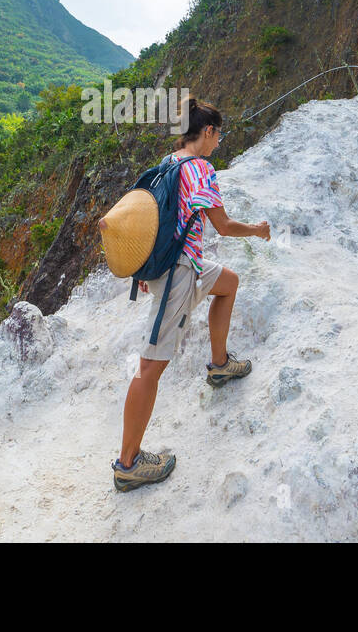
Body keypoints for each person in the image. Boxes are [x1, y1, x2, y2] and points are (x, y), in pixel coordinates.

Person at [112, 97, 270, 492]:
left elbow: (151, 218)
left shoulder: (169, 162)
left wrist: (150, 264)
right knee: (150, 367)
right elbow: (223, 224)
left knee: (229, 283)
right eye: (219, 135)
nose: (219, 143)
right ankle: (128, 463)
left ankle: (219, 364)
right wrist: (258, 230)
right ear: (209, 132)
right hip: (180, 274)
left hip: (187, 266)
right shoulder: (200, 169)